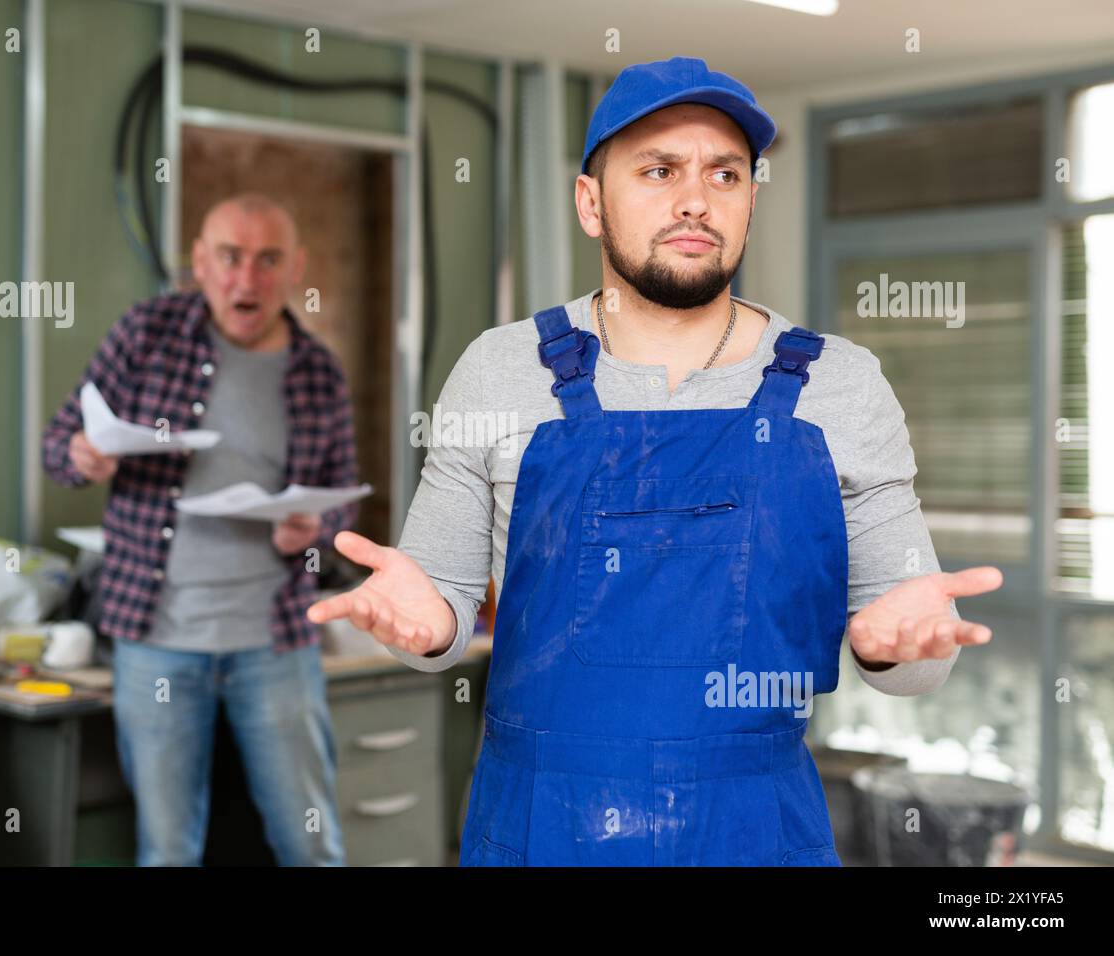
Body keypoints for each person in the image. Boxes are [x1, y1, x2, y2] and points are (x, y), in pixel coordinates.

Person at [307, 57, 1003, 867]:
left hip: (756, 833)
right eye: (659, 169)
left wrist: (896, 647)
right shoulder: (502, 370)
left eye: (726, 174)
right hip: (540, 830)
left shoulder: (840, 385)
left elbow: (917, 656)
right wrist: (422, 628)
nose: (695, 200)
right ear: (590, 203)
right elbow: (436, 613)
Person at [43, 193, 357, 866]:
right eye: (230, 257)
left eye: (268, 260)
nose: (247, 279)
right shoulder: (145, 335)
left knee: (311, 845)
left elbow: (343, 506)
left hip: (275, 643)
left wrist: (313, 527)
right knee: (167, 851)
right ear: (200, 262)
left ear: (295, 266)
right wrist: (81, 454)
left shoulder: (319, 373)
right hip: (156, 639)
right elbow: (58, 444)